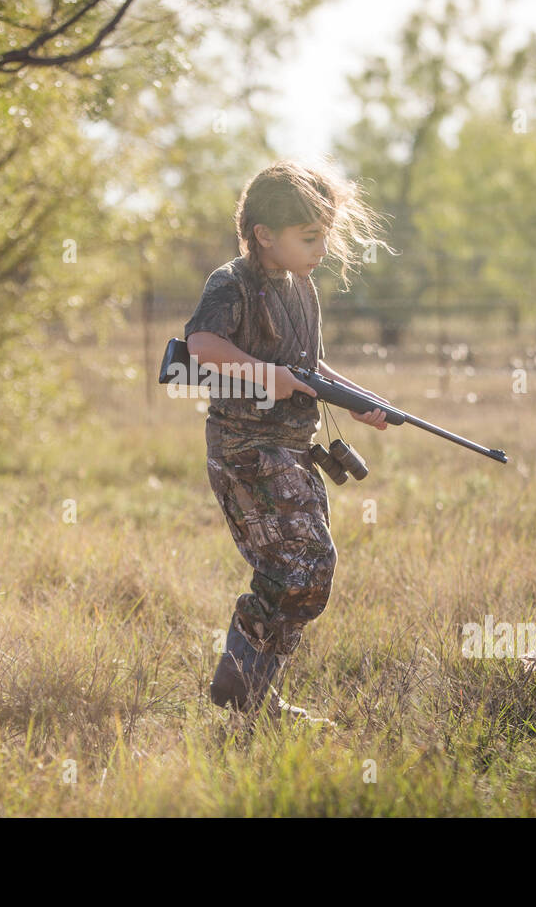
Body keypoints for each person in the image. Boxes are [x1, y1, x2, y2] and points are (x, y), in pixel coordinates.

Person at [183, 159, 395, 726]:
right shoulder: (233, 282)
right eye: (310, 237)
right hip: (246, 449)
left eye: (324, 236)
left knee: (309, 574)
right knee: (300, 567)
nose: (322, 248)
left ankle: (253, 699)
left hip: (292, 449)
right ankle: (241, 682)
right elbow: (201, 344)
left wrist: (356, 398)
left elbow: (309, 364)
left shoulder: (301, 285)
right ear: (264, 235)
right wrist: (266, 376)